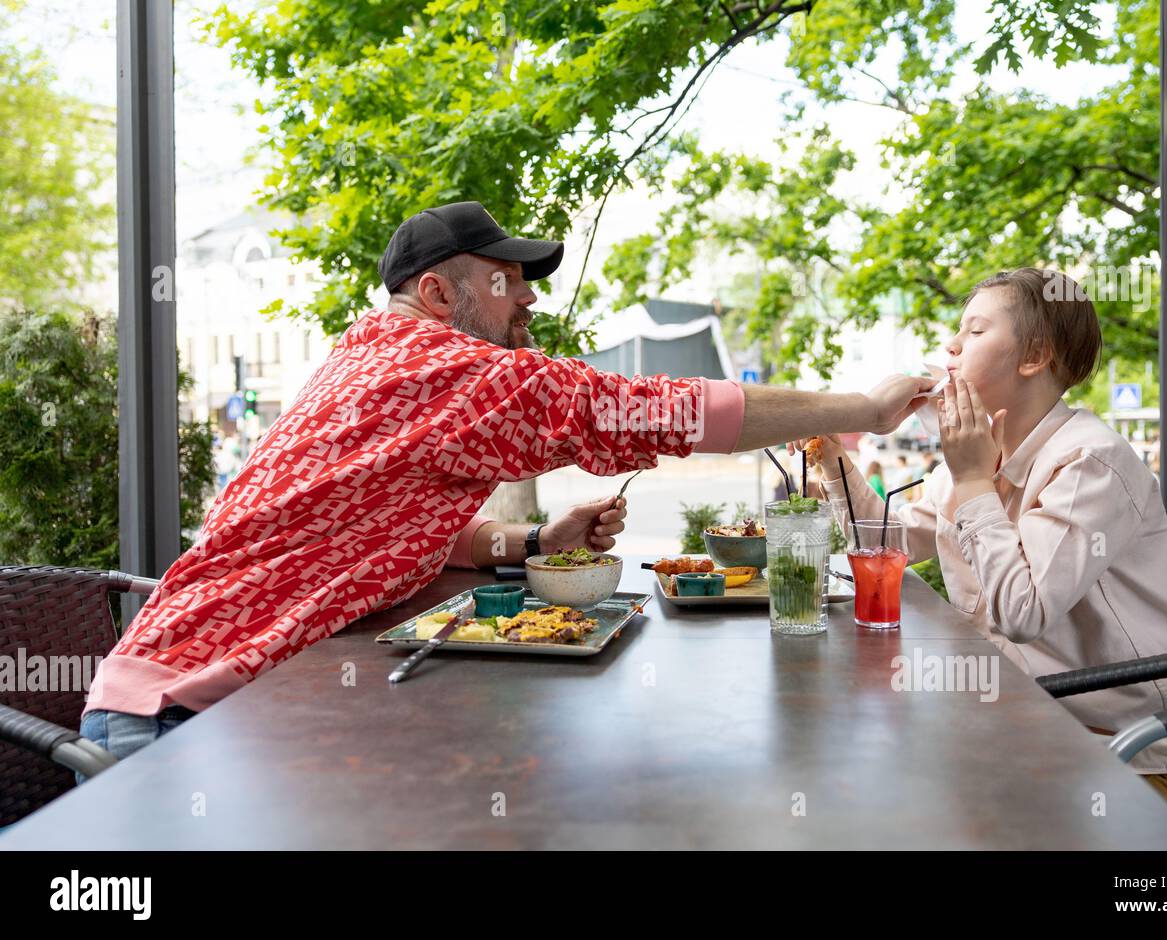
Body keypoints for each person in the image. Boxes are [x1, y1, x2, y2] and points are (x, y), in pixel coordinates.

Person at [80, 201, 939, 768]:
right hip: (180, 723)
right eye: (507, 278)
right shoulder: (451, 371)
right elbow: (655, 409)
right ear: (436, 293)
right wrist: (863, 403)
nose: (527, 297)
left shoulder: (359, 357)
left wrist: (535, 541)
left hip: (174, 690)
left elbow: (365, 517)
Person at [798, 268, 1167, 812]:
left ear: (1033, 356)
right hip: (1028, 713)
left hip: (1128, 747)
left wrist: (973, 480)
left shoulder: (1090, 461)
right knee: (858, 757)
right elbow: (888, 538)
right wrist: (832, 458)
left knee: (900, 791)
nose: (951, 343)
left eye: (974, 331)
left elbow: (1023, 612)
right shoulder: (973, 453)